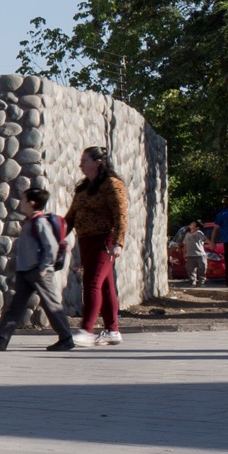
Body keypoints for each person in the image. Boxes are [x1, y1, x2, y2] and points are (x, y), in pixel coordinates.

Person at [0, 184, 77, 351]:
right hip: (25, 271)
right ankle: (1, 338)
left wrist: (44, 267)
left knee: (51, 305)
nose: (21, 202)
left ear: (32, 203)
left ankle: (66, 338)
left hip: (38, 271)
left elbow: (51, 246)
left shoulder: (40, 222)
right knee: (16, 307)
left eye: (24, 199)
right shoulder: (30, 222)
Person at [66, 146, 128, 348]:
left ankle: (87, 330)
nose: (80, 165)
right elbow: (71, 216)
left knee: (92, 282)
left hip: (105, 241)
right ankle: (113, 330)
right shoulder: (83, 188)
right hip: (85, 241)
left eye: (84, 161)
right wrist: (57, 235)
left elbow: (120, 216)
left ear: (98, 162)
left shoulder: (112, 185)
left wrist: (118, 242)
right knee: (105, 286)